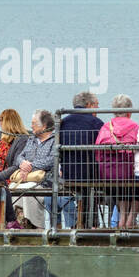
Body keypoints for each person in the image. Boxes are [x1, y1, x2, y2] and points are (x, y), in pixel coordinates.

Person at [59, 91, 104, 228]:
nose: (98, 109)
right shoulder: (96, 123)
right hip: (91, 174)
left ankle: (78, 223)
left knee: (82, 193)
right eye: (96, 105)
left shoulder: (63, 122)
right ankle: (92, 224)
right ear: (89, 105)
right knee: (90, 193)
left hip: (68, 173)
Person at [95, 95, 139, 228]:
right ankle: (130, 218)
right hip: (129, 173)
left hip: (108, 175)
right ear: (130, 112)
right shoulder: (135, 127)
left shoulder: (106, 127)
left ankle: (122, 217)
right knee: (137, 187)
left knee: (119, 188)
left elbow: (97, 152)